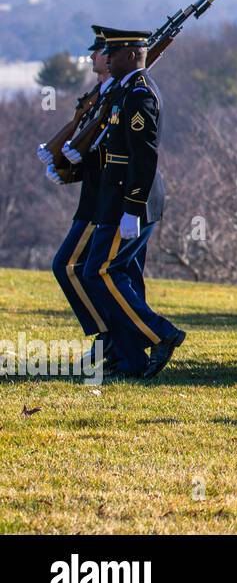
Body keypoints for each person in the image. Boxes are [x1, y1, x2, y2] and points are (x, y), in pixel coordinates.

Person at [73, 26, 185, 379]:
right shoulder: (123, 92)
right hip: (115, 198)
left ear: (131, 55)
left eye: (112, 52)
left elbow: (144, 157)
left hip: (131, 199)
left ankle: (161, 333)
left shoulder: (140, 94)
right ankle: (131, 358)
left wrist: (133, 208)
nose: (104, 58)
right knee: (114, 274)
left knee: (100, 271)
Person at [42, 27, 118, 368]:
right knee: (104, 272)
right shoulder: (100, 96)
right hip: (94, 196)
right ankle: (113, 339)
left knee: (70, 266)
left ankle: (111, 336)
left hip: (109, 200)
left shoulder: (123, 96)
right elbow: (91, 152)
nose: (91, 57)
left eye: (98, 52)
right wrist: (67, 169)